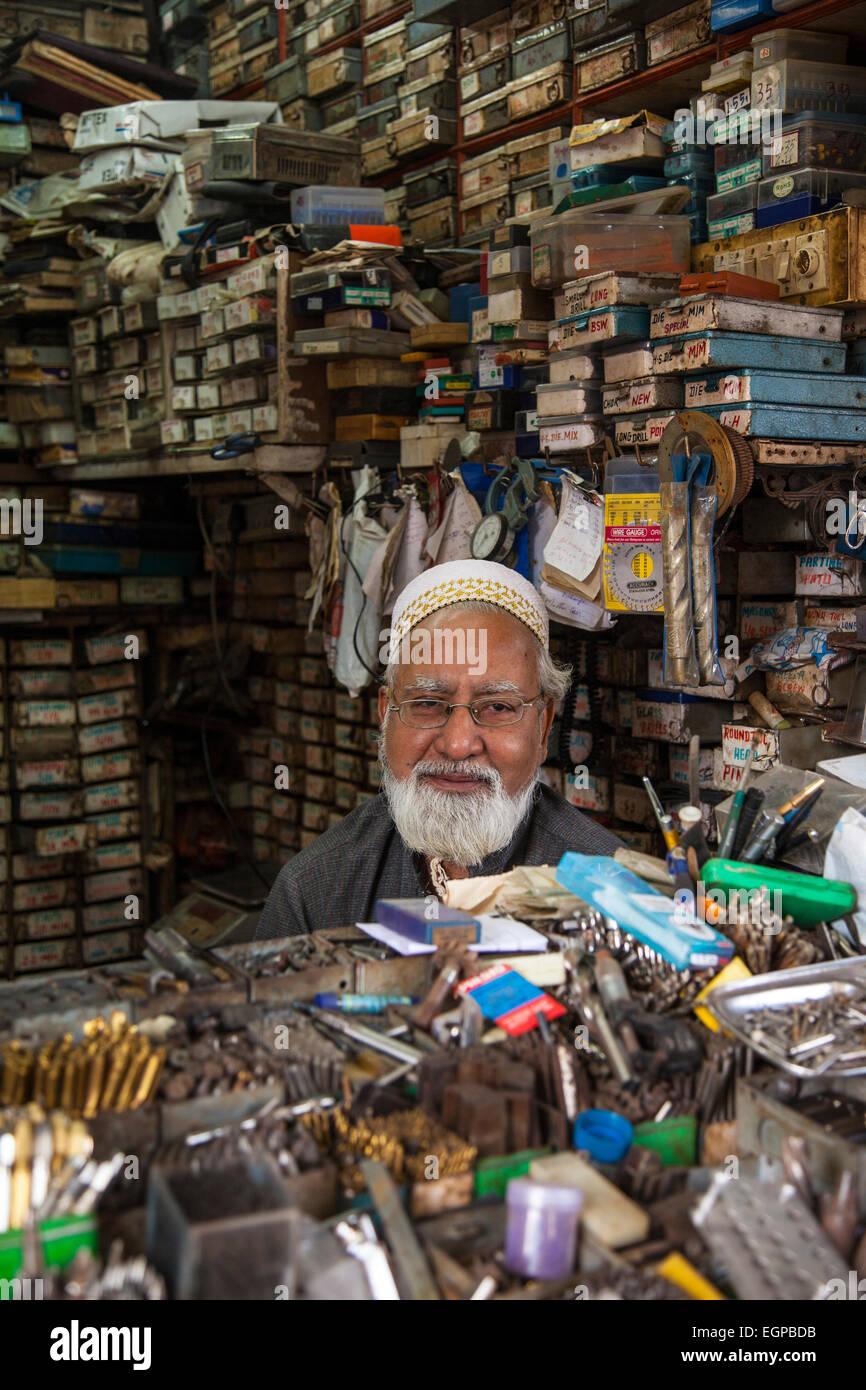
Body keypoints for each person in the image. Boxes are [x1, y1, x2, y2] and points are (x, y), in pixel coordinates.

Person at [256, 559, 621, 938]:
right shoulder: (315, 891)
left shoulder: (612, 895)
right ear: (386, 716)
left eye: (497, 707)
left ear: (543, 727)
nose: (459, 745)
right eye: (428, 703)